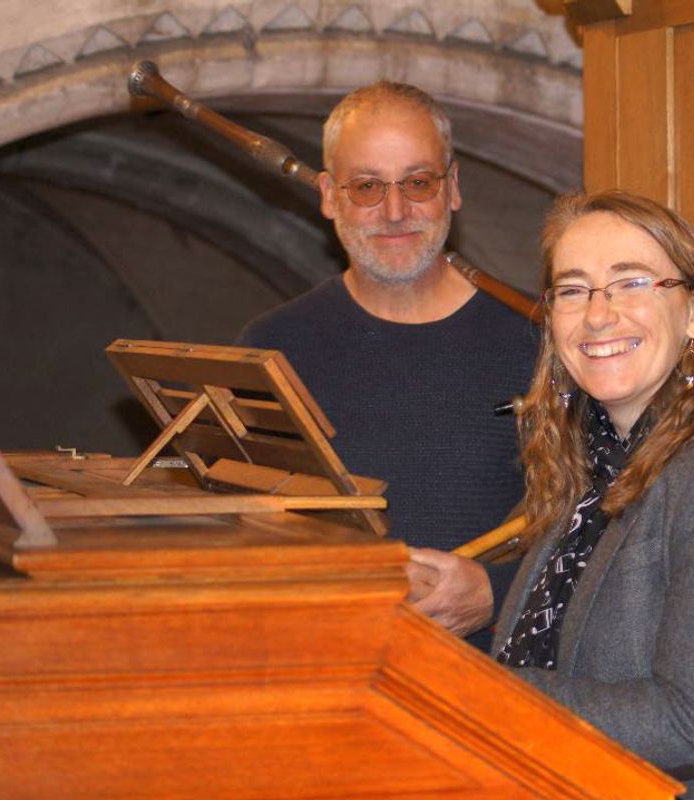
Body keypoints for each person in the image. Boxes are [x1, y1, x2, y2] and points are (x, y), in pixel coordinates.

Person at [491, 190, 694, 797]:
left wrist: (486, 691)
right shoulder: (585, 460)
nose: (598, 315)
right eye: (573, 290)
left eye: (631, 284)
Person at [238, 82, 537, 648]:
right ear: (329, 195)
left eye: (418, 183)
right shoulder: (271, 347)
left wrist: (500, 591)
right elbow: (248, 538)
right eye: (367, 186)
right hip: (323, 674)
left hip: (494, 690)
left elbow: (604, 529)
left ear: (452, 188)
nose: (394, 211)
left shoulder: (539, 339)